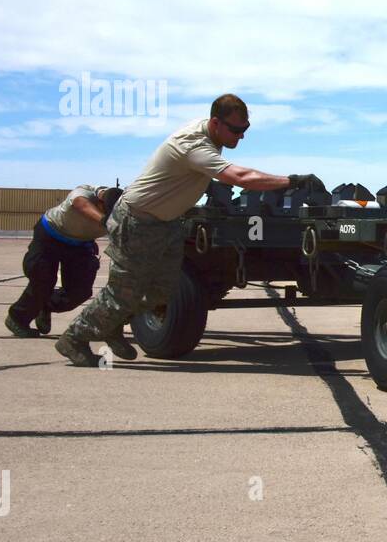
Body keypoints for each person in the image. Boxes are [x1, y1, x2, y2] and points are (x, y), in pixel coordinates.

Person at [54, 94, 319, 367]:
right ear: (216, 123)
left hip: (166, 223)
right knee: (123, 292)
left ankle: (112, 322)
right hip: (137, 221)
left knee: (164, 293)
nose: (241, 137)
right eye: (237, 130)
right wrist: (291, 181)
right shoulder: (193, 144)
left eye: (245, 129)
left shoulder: (212, 136)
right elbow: (240, 178)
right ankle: (74, 339)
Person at [5, 184, 121, 338]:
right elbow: (81, 203)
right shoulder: (85, 193)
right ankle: (17, 318)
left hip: (80, 245)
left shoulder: (122, 214)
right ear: (99, 202)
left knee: (80, 292)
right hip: (50, 235)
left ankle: (44, 306)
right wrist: (107, 221)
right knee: (42, 279)